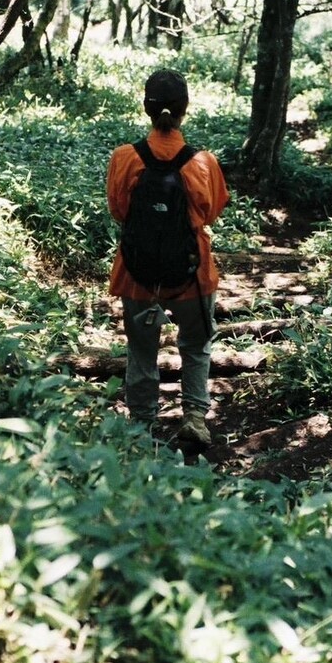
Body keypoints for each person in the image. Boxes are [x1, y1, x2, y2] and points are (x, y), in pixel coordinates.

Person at [106, 69, 229, 446]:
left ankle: (142, 426)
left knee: (141, 350)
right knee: (194, 345)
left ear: (146, 108)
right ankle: (194, 417)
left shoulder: (124, 158)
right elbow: (211, 213)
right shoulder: (203, 162)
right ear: (185, 110)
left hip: (137, 273)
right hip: (192, 274)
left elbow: (118, 210)